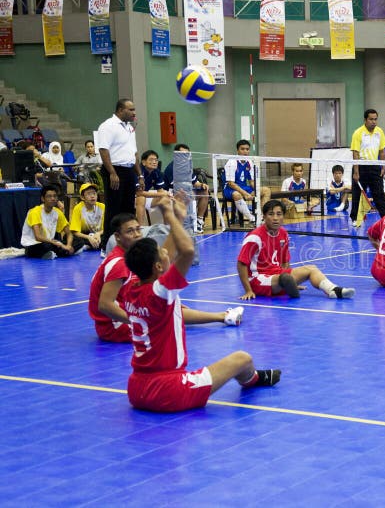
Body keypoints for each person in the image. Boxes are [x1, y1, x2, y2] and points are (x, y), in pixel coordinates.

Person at [122, 195, 279, 413]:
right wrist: (168, 212)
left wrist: (176, 216)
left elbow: (167, 252)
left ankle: (251, 376)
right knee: (242, 359)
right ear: (158, 267)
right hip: (167, 390)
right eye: (162, 255)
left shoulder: (131, 287)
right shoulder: (160, 292)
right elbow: (186, 250)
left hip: (137, 388)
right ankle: (252, 379)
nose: (166, 253)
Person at [90, 211, 243, 343]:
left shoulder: (132, 255)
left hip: (121, 316)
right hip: (113, 327)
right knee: (165, 310)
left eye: (138, 229)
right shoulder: (119, 264)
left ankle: (223, 316)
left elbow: (162, 258)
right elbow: (104, 305)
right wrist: (136, 320)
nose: (136, 235)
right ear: (117, 237)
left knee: (166, 304)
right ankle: (223, 316)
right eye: (130, 231)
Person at [237, 199, 355, 300]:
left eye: (279, 214)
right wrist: (248, 290)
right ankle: (286, 283)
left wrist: (292, 280)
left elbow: (284, 262)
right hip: (258, 279)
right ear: (264, 216)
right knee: (284, 278)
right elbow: (241, 264)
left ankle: (333, 290)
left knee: (311, 268)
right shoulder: (255, 237)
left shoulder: (283, 233)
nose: (275, 218)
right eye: (271, 214)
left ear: (283, 216)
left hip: (277, 275)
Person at [97, 98, 140, 249]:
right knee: (113, 209)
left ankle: (127, 244)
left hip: (128, 171)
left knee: (128, 208)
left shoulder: (129, 127)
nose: (134, 112)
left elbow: (133, 153)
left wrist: (139, 175)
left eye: (134, 109)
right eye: (131, 110)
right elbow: (103, 150)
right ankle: (106, 246)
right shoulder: (108, 126)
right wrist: (112, 173)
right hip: (114, 170)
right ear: (121, 110)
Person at [20, 184, 86, 259]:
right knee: (45, 246)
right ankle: (63, 252)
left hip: (50, 243)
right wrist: (60, 245)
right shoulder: (35, 212)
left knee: (79, 240)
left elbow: (69, 233)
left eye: (55, 196)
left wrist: (68, 245)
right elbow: (38, 237)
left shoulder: (57, 212)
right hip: (35, 244)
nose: (53, 198)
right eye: (49, 196)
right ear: (43, 199)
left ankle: (63, 251)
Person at [350, 109, 385, 225]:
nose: (374, 122)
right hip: (361, 167)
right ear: (365, 120)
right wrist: (356, 171)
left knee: (379, 194)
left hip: (375, 167)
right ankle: (355, 218)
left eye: (375, 119)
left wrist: (383, 167)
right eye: (371, 119)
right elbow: (355, 153)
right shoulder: (358, 133)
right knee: (357, 194)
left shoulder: (380, 132)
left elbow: (382, 151)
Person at [164, 143, 211, 232]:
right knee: (191, 194)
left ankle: (199, 221)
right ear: (176, 155)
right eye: (182, 154)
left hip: (187, 191)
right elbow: (177, 187)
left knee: (204, 192)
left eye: (186, 154)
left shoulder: (188, 166)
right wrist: (191, 189)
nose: (184, 156)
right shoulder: (171, 168)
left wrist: (201, 185)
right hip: (172, 193)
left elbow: (194, 182)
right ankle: (188, 222)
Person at [223, 139, 271, 223]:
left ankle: (263, 216)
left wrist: (257, 190)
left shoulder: (249, 162)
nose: (245, 151)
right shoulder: (232, 162)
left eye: (247, 149)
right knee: (237, 195)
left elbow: (251, 181)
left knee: (266, 190)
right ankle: (252, 218)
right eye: (242, 149)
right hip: (230, 189)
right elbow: (231, 184)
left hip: (244, 188)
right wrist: (245, 194)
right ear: (237, 150)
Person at [135, 150, 168, 225]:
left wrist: (166, 195)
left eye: (156, 160)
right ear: (143, 162)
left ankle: (166, 228)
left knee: (166, 198)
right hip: (131, 197)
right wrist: (162, 194)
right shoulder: (138, 171)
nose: (154, 162)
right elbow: (139, 193)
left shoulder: (156, 172)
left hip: (145, 196)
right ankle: (140, 228)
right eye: (151, 160)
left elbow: (160, 191)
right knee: (141, 198)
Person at [69, 182, 105, 251]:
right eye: (89, 194)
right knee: (73, 238)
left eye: (94, 193)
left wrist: (98, 234)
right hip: (84, 236)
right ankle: (92, 245)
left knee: (110, 236)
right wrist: (88, 237)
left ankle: (88, 246)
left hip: (98, 235)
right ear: (82, 197)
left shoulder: (102, 207)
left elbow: (106, 228)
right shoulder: (78, 208)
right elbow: (75, 232)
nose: (92, 196)